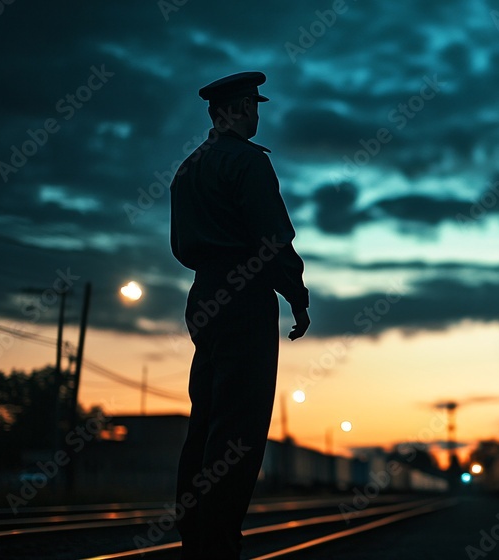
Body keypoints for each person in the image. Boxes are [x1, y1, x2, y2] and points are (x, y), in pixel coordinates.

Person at [170, 71, 310, 559]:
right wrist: (296, 292)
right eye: (251, 105)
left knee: (206, 420)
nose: (255, 114)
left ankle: (196, 535)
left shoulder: (188, 169)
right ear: (232, 110)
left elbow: (180, 244)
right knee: (240, 428)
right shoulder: (248, 163)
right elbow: (272, 238)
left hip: (204, 296)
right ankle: (220, 542)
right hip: (246, 296)